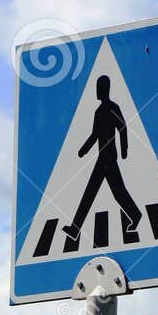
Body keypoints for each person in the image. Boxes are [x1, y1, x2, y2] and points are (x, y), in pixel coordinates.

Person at [62, 74, 143, 247]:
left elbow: (122, 127)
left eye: (99, 87)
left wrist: (124, 150)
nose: (97, 91)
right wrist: (83, 150)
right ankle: (75, 229)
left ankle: (135, 215)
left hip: (109, 158)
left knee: (114, 193)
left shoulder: (113, 108)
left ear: (105, 89)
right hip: (102, 157)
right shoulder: (98, 111)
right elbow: (95, 134)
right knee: (96, 193)